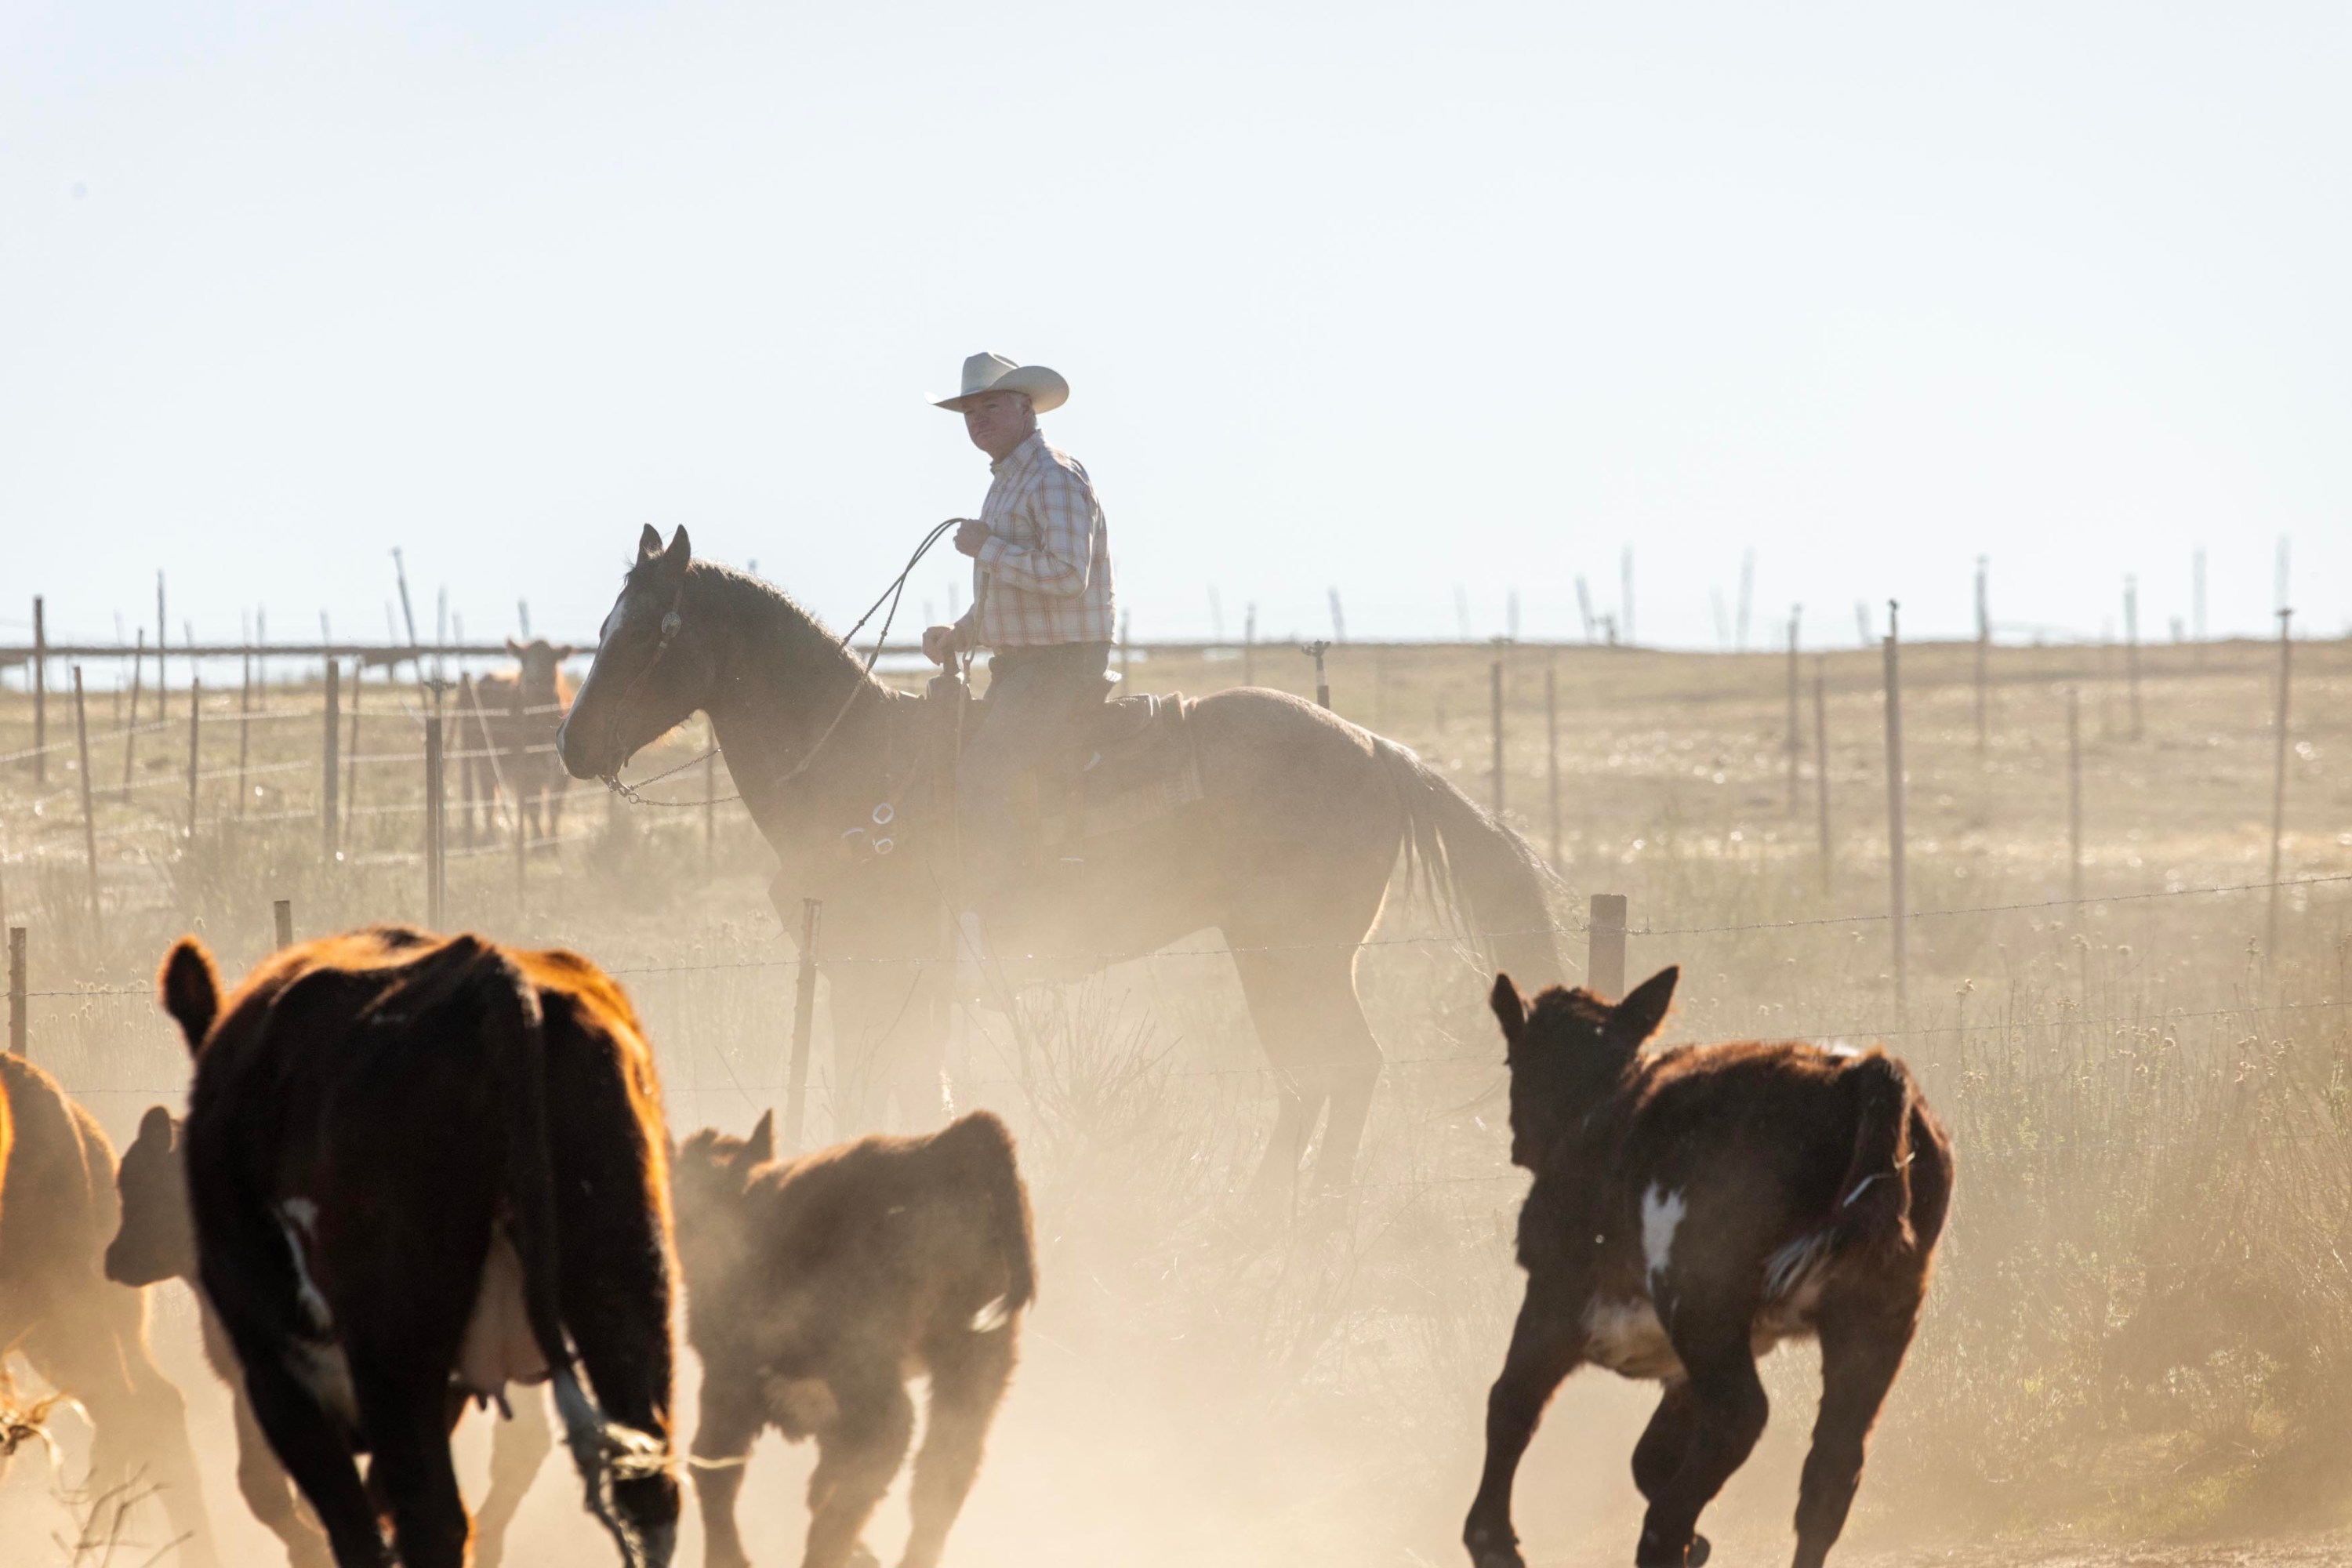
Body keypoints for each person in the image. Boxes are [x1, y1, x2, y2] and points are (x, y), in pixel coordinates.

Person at [920, 352, 1116, 945]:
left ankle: (1011, 914)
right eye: (969, 411)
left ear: (1025, 409)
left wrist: (984, 549)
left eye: (991, 406)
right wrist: (963, 631)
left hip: (1062, 663)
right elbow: (1014, 591)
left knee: (982, 773)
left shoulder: (1053, 477)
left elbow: (1065, 577)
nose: (978, 419)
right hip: (1026, 664)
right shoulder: (1008, 485)